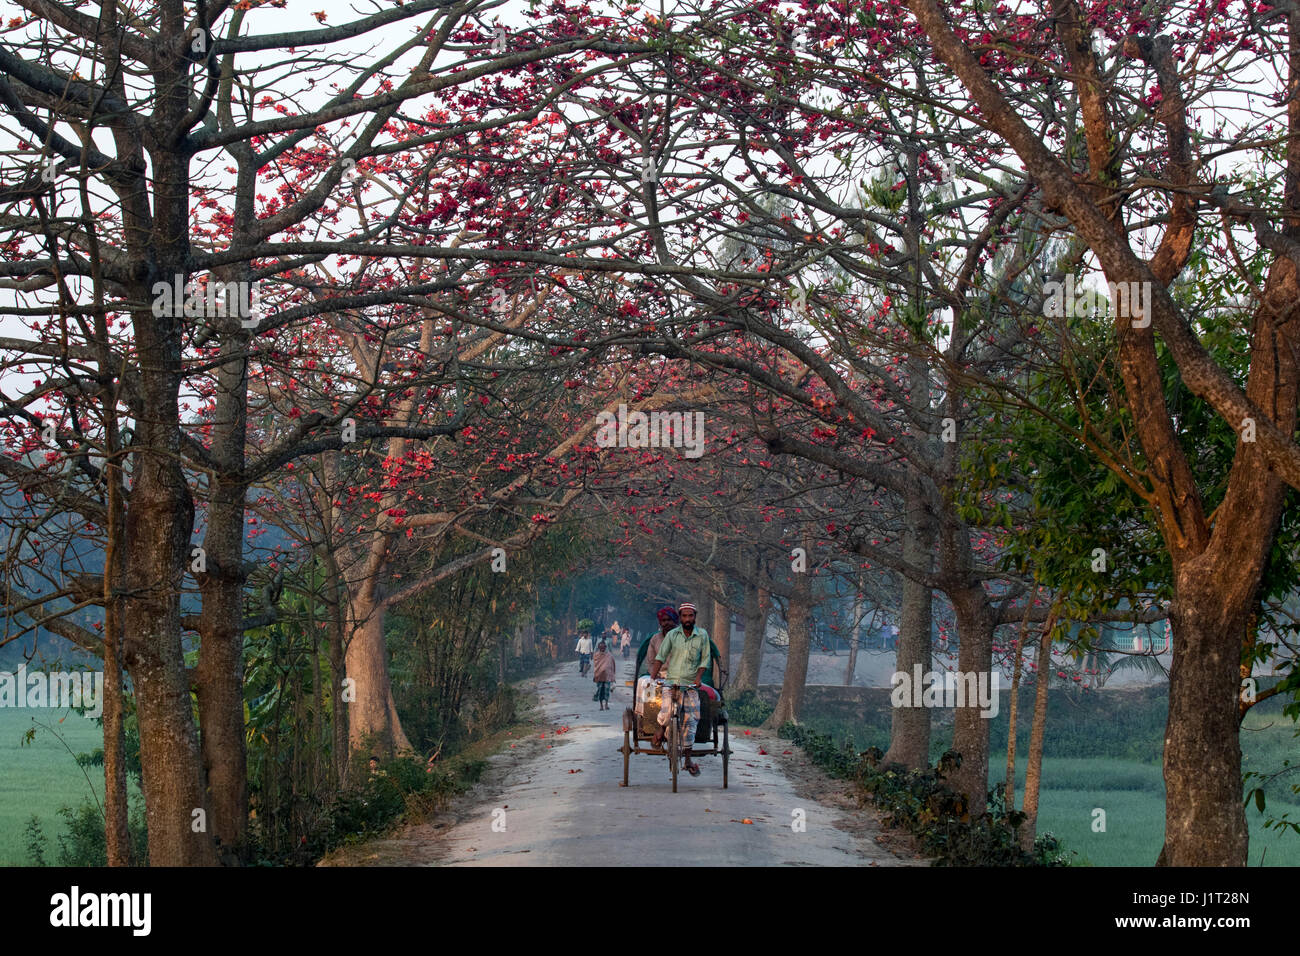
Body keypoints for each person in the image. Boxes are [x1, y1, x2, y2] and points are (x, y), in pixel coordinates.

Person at [649, 602, 710, 777]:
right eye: (684, 616)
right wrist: (652, 678)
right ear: (680, 617)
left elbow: (705, 659)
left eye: (691, 616)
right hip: (671, 682)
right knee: (666, 711)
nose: (688, 619)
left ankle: (688, 759)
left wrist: (698, 679)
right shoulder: (672, 635)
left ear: (695, 617)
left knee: (691, 722)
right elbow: (660, 657)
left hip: (690, 684)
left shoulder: (702, 635)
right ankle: (661, 728)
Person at [592, 640, 617, 710]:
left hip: (607, 676)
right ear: (599, 648)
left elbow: (612, 665)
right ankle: (601, 706)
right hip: (599, 676)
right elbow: (596, 666)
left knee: (606, 691)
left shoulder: (609, 655)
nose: (602, 649)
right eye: (601, 648)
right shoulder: (596, 655)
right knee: (600, 691)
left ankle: (606, 704)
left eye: (603, 648)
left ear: (605, 647)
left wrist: (612, 675)